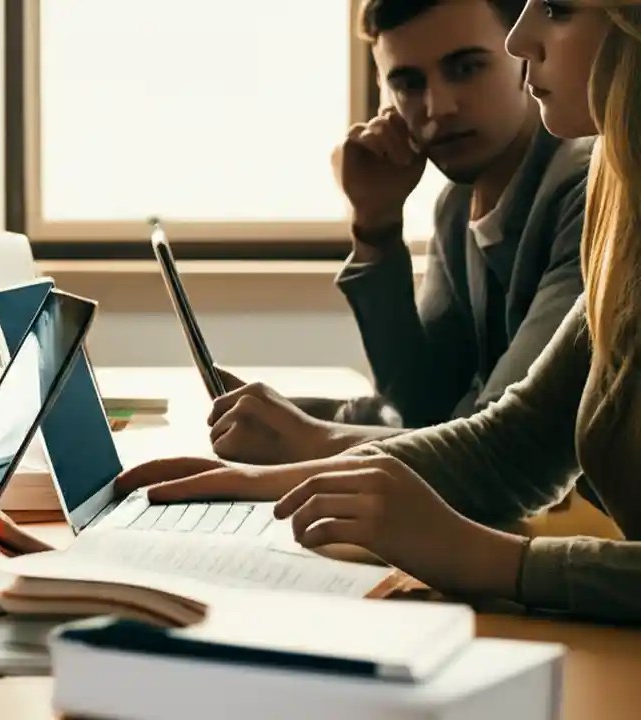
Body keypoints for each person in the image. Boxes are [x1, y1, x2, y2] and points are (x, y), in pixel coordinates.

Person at [120, 0, 641, 624]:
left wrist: (488, 559)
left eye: (555, 8)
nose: (521, 40)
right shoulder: (612, 212)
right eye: (406, 81)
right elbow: (505, 440)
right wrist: (264, 481)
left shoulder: (582, 189)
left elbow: (495, 445)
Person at [204, 0, 593, 467]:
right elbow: (420, 406)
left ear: (524, 57)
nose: (438, 107)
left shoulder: (587, 193)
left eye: (466, 68)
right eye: (408, 83)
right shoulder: (456, 206)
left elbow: (506, 443)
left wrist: (313, 440)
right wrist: (376, 225)